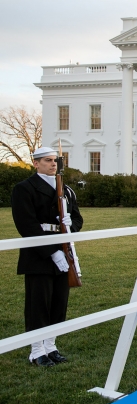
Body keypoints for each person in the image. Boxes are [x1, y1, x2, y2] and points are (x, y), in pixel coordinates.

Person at [11, 147, 84, 367]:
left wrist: (72, 224)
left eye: (55, 161)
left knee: (58, 303)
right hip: (39, 253)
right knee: (38, 304)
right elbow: (26, 224)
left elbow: (78, 219)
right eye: (47, 160)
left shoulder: (66, 190)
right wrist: (51, 251)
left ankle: (51, 346)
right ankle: (36, 350)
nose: (53, 164)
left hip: (64, 251)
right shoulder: (25, 188)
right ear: (35, 163)